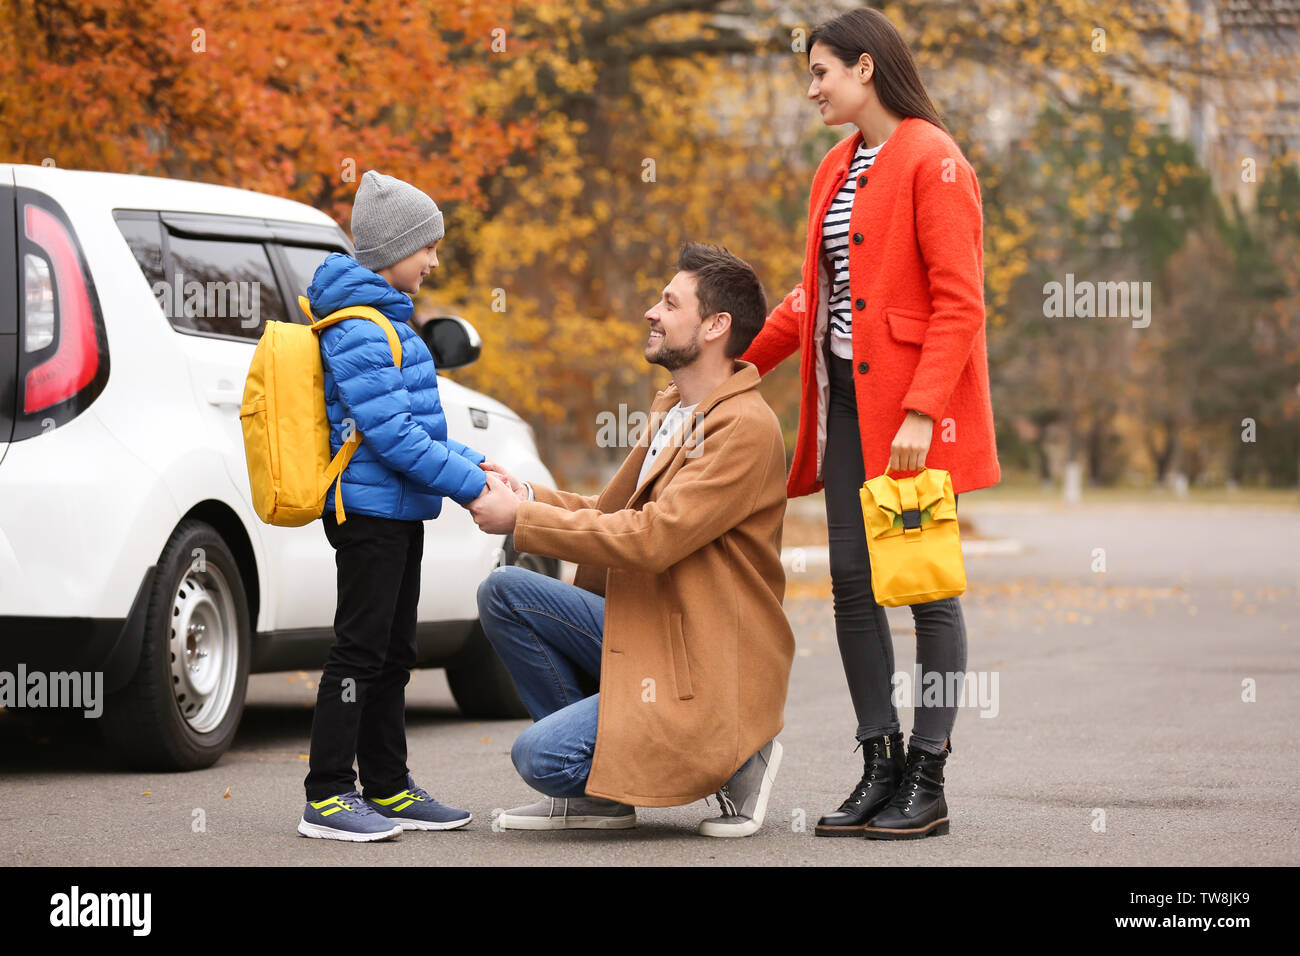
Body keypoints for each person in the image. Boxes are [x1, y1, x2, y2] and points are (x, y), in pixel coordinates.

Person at [740, 8, 1000, 839]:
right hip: (848, 409)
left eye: (821, 72)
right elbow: (810, 297)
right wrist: (739, 366)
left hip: (914, 417)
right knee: (852, 584)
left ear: (865, 68)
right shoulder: (835, 167)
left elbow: (959, 304)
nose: (812, 89)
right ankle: (879, 764)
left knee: (924, 587)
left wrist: (922, 411)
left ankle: (929, 774)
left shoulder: (934, 159)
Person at [469, 242, 794, 837]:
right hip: (651, 630)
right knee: (506, 591)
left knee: (541, 758)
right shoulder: (676, 408)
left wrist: (521, 521)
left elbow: (652, 538)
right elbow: (611, 512)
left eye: (670, 303)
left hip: (702, 661)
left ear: (716, 326)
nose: (651, 312)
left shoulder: (743, 427)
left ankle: (741, 754)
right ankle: (603, 799)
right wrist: (529, 496)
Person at [296, 170, 492, 841]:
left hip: (400, 510)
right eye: (427, 247)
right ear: (392, 250)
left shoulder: (391, 323)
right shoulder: (360, 327)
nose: (434, 261)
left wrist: (476, 465)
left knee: (393, 652)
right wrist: (468, 487)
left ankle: (388, 786)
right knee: (358, 652)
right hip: (368, 515)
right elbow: (393, 436)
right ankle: (327, 794)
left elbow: (417, 432)